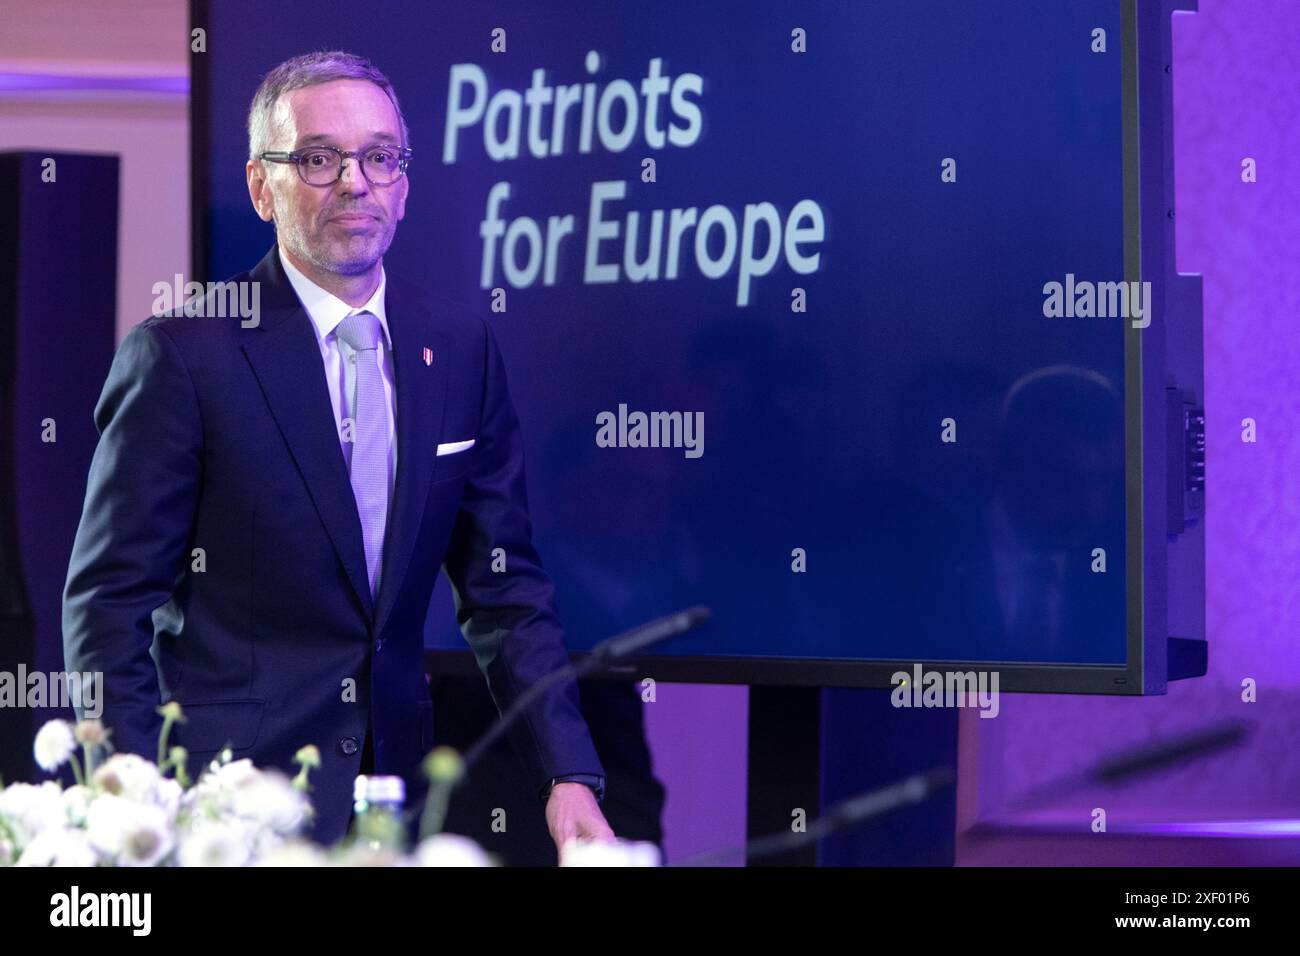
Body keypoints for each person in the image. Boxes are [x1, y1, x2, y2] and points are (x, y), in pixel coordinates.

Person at [62, 50, 614, 855]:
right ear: (261, 186)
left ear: (404, 182)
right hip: (226, 811)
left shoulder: (458, 347)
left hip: (393, 803)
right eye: (319, 158)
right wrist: (135, 805)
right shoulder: (183, 357)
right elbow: (109, 607)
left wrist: (569, 775)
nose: (354, 182)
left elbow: (506, 591)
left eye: (379, 157)